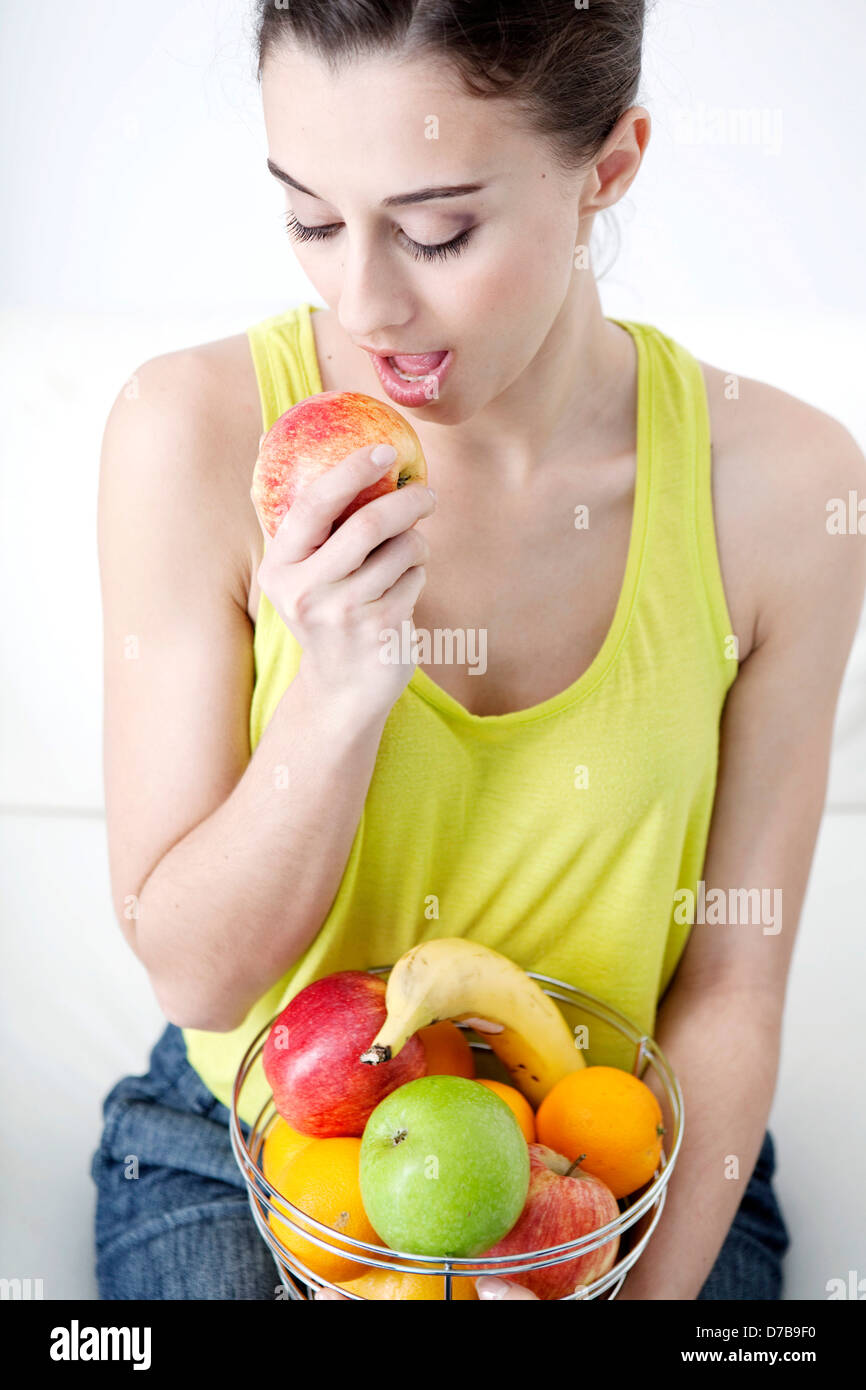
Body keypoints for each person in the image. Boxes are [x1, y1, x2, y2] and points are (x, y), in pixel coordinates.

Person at [91, 0, 866, 1301]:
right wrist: (337, 694)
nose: (363, 302)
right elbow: (197, 973)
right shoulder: (190, 433)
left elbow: (732, 988)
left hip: (613, 1153)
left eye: (437, 231)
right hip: (260, 1151)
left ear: (606, 167)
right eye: (311, 219)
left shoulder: (788, 490)